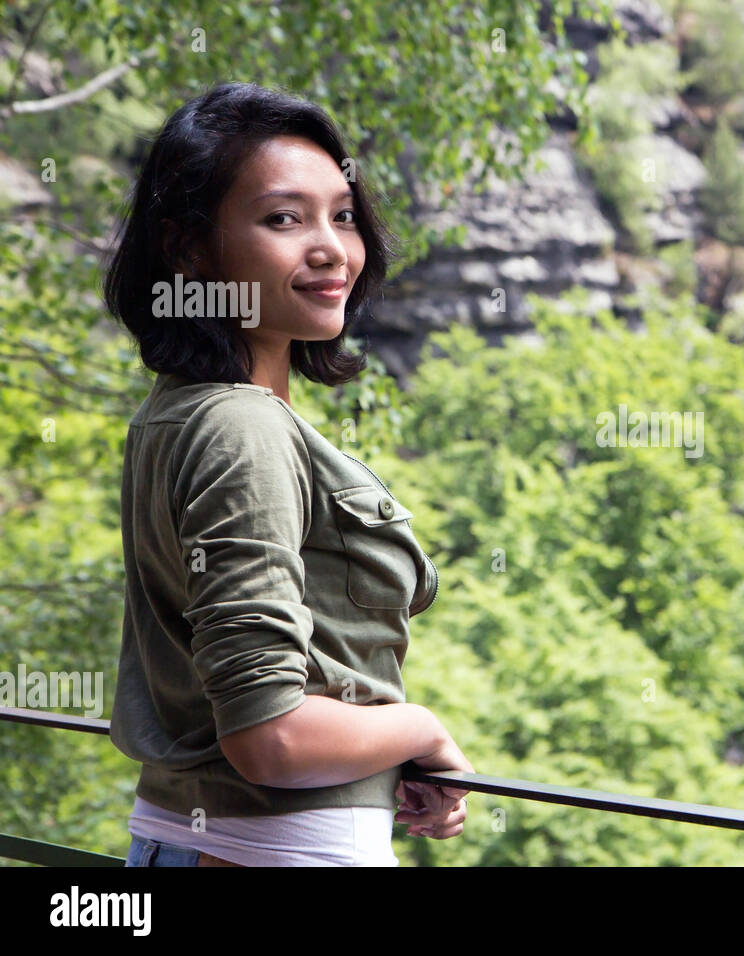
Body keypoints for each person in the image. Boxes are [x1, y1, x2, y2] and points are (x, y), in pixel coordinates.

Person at [101, 81, 474, 866]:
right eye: (283, 218)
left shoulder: (176, 411)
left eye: (341, 215)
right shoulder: (242, 428)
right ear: (189, 248)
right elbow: (269, 736)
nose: (332, 247)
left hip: (193, 838)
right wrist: (421, 728)